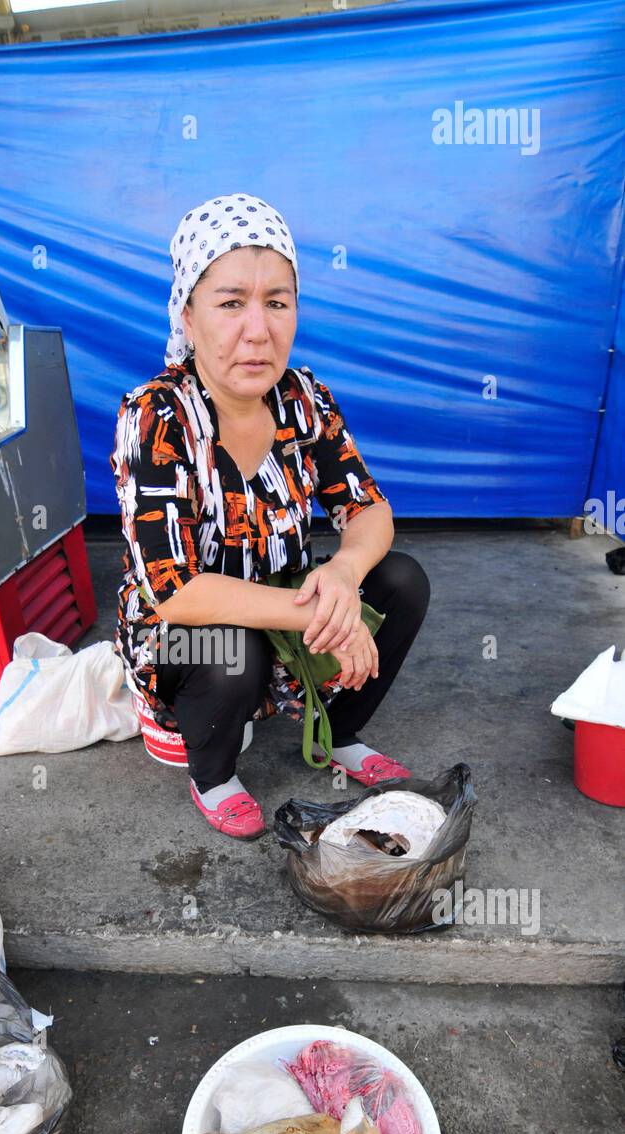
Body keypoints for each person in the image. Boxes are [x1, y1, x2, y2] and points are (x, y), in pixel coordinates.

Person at [109, 193, 429, 840]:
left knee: (399, 581)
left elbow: (367, 509)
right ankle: (213, 771)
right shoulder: (157, 418)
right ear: (188, 316)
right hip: (185, 633)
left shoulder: (303, 398)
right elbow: (176, 591)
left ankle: (339, 731)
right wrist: (322, 617)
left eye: (276, 302)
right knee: (233, 647)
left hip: (284, 598)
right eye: (230, 303)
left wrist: (341, 577)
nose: (258, 330)